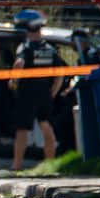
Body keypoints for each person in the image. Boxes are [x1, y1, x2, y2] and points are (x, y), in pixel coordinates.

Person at [10, 12, 63, 171]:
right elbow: (59, 72)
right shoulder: (49, 49)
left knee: (22, 130)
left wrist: (13, 81)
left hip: (27, 94)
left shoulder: (25, 47)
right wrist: (54, 90)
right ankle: (49, 164)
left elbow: (19, 63)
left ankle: (17, 165)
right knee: (46, 126)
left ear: (28, 30)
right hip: (44, 93)